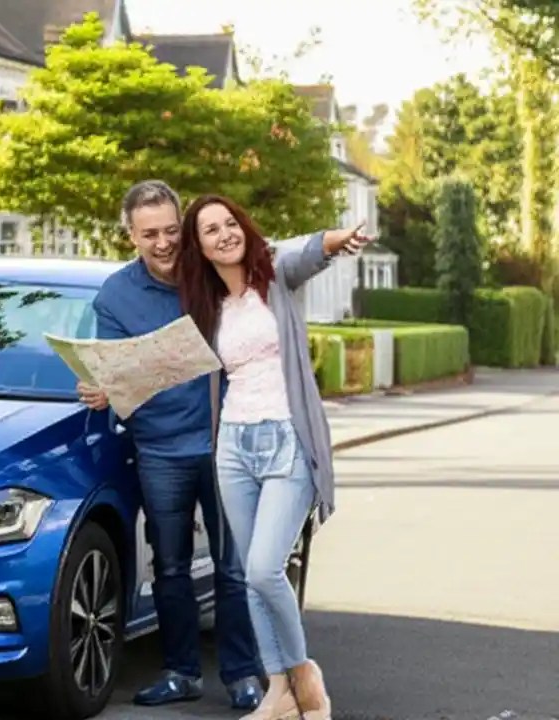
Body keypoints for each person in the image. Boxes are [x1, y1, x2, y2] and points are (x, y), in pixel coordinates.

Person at [174, 194, 371, 719]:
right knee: (246, 575)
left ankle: (306, 681)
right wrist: (105, 389)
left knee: (265, 570)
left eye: (229, 223)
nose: (224, 234)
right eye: (210, 230)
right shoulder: (206, 305)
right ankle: (278, 693)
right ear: (200, 247)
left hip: (287, 440)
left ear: (243, 226)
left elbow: (313, 249)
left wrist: (340, 238)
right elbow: (161, 364)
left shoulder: (274, 271)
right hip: (235, 448)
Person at [76, 180, 265, 710]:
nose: (163, 243)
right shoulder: (115, 295)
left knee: (232, 566)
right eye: (149, 234)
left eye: (169, 230)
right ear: (130, 235)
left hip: (225, 441)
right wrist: (101, 390)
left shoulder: (212, 274)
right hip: (159, 449)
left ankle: (243, 674)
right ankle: (181, 671)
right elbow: (110, 373)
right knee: (171, 567)